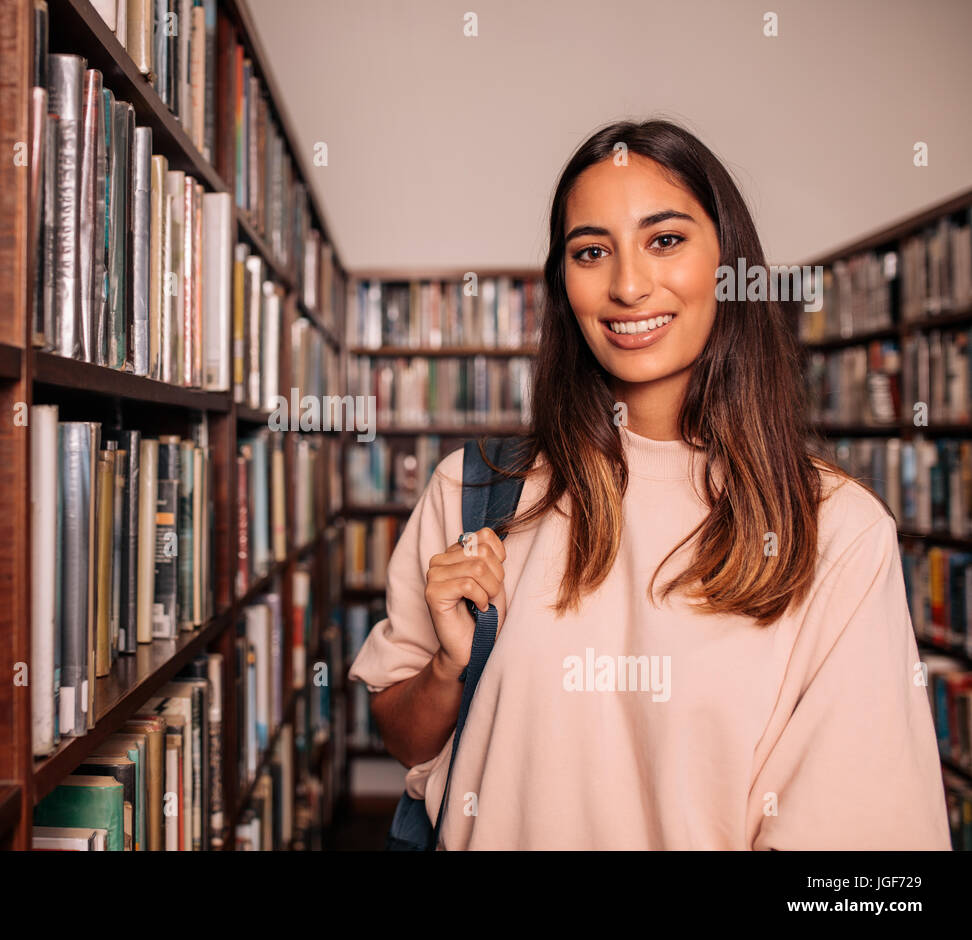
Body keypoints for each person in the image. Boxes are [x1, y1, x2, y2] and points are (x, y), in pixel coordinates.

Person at [348, 118, 952, 850]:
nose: (628, 286)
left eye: (665, 240)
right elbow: (410, 744)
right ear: (563, 282)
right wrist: (449, 664)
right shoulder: (477, 490)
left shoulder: (839, 534)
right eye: (591, 251)